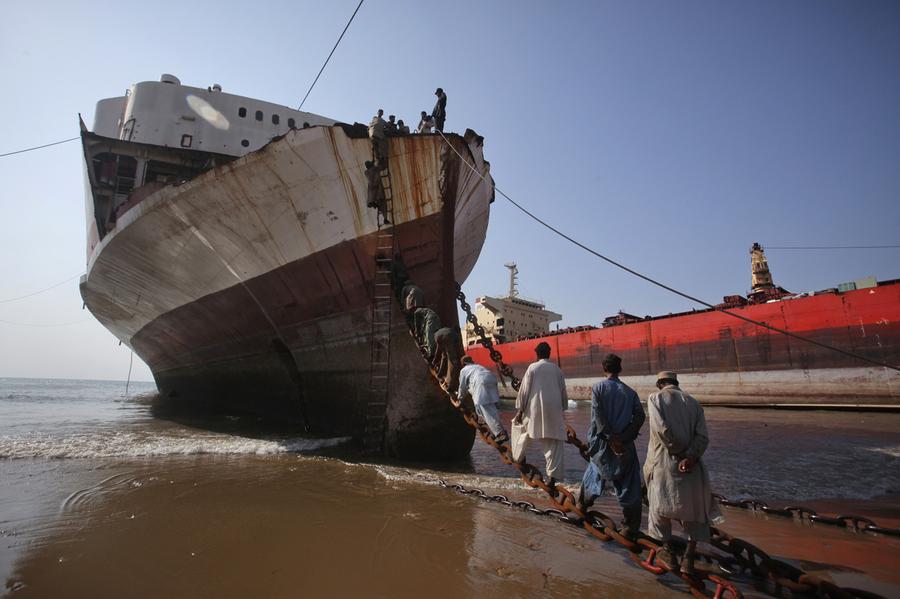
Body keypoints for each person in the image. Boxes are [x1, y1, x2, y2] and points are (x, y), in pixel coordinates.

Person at [644, 371, 722, 575]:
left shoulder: (655, 398)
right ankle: (688, 558)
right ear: (676, 383)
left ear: (660, 383)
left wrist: (678, 453)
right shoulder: (694, 403)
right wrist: (690, 457)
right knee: (694, 511)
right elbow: (703, 437)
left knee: (659, 507)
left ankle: (668, 551)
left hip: (665, 463)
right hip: (692, 465)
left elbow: (661, 430)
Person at [578, 354, 645, 540]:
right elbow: (640, 417)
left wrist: (609, 438)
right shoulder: (630, 392)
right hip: (625, 445)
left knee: (594, 473)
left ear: (603, 368)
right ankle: (630, 526)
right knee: (629, 483)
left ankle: (582, 506)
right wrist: (624, 437)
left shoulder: (598, 388)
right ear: (619, 369)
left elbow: (598, 416)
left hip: (601, 444)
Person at [514, 342, 568, 487]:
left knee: (523, 432)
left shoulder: (533, 368)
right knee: (553, 445)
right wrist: (562, 408)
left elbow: (524, 391)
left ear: (536, 354)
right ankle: (552, 478)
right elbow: (563, 391)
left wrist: (519, 411)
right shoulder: (557, 370)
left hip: (535, 409)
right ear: (549, 353)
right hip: (554, 409)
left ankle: (517, 457)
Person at [459, 355, 508, 443]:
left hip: (480, 382)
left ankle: (500, 434)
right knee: (492, 408)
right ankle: (500, 431)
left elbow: (462, 387)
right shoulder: (479, 366)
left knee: (486, 409)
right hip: (491, 379)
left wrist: (459, 398)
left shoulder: (464, 370)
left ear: (463, 364)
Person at [433, 326, 464, 392]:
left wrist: (434, 361)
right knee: (454, 359)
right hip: (453, 337)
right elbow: (444, 354)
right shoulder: (447, 331)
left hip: (446, 338)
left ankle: (448, 382)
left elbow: (438, 351)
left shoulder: (436, 335)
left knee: (451, 359)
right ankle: (451, 381)